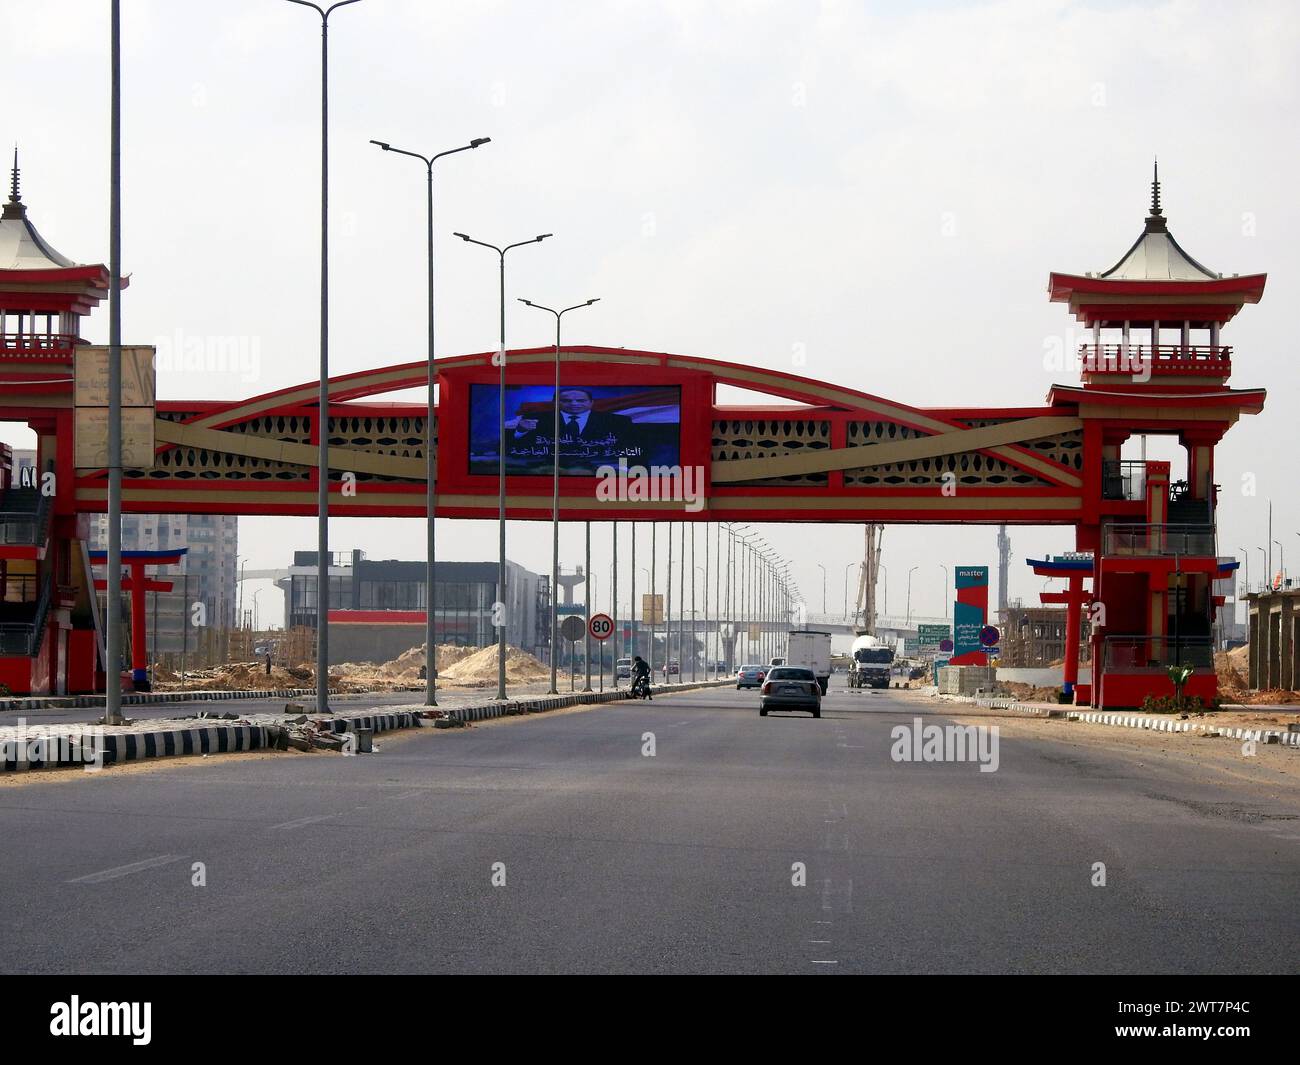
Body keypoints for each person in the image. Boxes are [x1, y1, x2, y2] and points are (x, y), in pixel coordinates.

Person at [509, 387, 642, 469]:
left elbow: (634, 451)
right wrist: (520, 431)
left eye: (580, 400)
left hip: (602, 472)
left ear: (591, 403)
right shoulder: (535, 418)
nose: (574, 404)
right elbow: (511, 449)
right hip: (548, 473)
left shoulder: (617, 421)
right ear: (555, 402)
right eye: (566, 401)